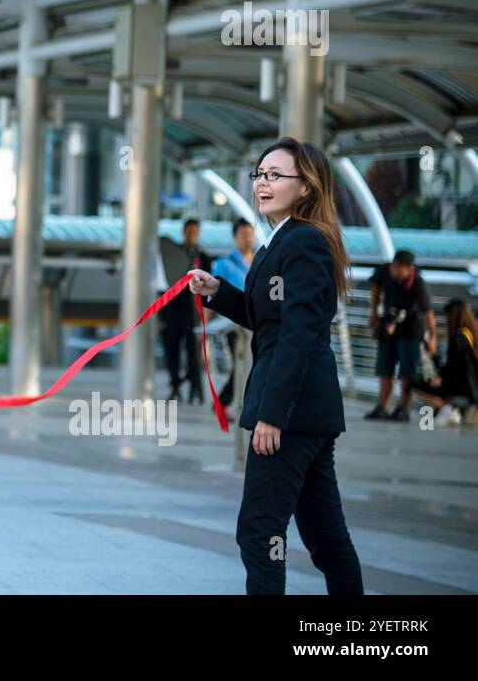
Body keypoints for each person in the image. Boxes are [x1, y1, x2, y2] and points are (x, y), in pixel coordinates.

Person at [189, 137, 362, 595]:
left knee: (260, 530)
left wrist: (272, 414)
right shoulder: (281, 238)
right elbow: (267, 320)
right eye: (259, 174)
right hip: (305, 413)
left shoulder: (303, 241)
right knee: (325, 538)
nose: (262, 183)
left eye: (275, 175)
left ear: (306, 187)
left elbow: (299, 336)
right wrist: (218, 292)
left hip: (292, 413)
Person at [365, 250, 436, 421]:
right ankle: (382, 406)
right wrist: (373, 312)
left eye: (400, 269)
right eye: (394, 267)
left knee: (407, 372)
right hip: (388, 326)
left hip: (410, 330)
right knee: (385, 369)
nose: (395, 271)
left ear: (409, 269)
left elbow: (428, 312)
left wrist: (432, 336)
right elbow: (375, 288)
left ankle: (403, 408)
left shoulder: (418, 282)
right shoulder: (384, 271)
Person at [159, 218, 211, 403]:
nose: (191, 234)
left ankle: (195, 387)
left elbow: (209, 287)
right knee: (171, 348)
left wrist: (205, 314)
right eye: (188, 231)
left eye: (194, 231)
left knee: (193, 351)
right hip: (171, 310)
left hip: (193, 312)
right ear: (183, 232)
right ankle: (175, 385)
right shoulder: (172, 253)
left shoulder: (202, 257)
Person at [406, 299, 478, 426]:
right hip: (471, 384)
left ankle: (449, 409)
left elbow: (457, 364)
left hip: (463, 385)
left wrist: (439, 377)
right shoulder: (471, 334)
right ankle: (456, 408)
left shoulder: (459, 337)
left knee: (412, 386)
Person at [211, 218, 257, 409]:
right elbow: (211, 294)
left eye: (250, 234)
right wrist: (205, 325)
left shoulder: (260, 259)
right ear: (235, 237)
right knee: (240, 362)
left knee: (249, 361)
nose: (247, 238)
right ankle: (225, 402)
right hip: (230, 322)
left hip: (254, 321)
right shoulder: (225, 263)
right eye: (243, 235)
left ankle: (232, 402)